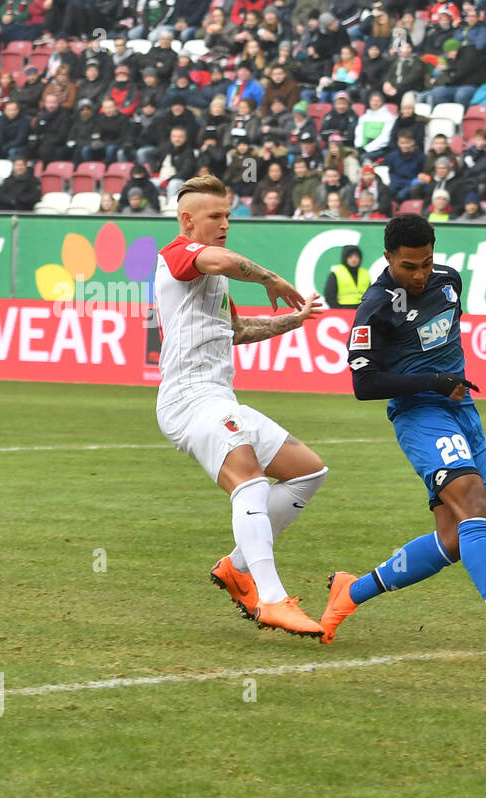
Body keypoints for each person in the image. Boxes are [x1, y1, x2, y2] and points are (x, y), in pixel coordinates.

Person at [320, 215, 486, 658]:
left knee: (453, 537)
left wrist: (448, 382)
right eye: (409, 266)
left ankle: (350, 592)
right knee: (473, 504)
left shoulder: (450, 281)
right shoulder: (375, 307)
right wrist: (433, 382)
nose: (421, 274)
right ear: (387, 258)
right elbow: (363, 385)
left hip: (462, 410)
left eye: (427, 262)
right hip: (420, 413)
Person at [153, 175, 330, 639]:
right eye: (215, 216)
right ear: (187, 221)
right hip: (188, 400)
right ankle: (271, 598)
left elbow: (237, 331)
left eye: (228, 215)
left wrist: (292, 321)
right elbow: (226, 260)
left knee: (308, 471)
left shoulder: (209, 281)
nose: (225, 223)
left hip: (218, 398)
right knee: (249, 477)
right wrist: (273, 279)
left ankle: (235, 567)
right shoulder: (179, 255)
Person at [324, 243, 370, 308]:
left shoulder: (365, 273)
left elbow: (370, 295)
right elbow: (329, 296)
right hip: (342, 311)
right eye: (350, 257)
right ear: (345, 258)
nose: (354, 259)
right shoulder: (336, 273)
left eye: (356, 257)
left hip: (361, 310)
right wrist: (339, 310)